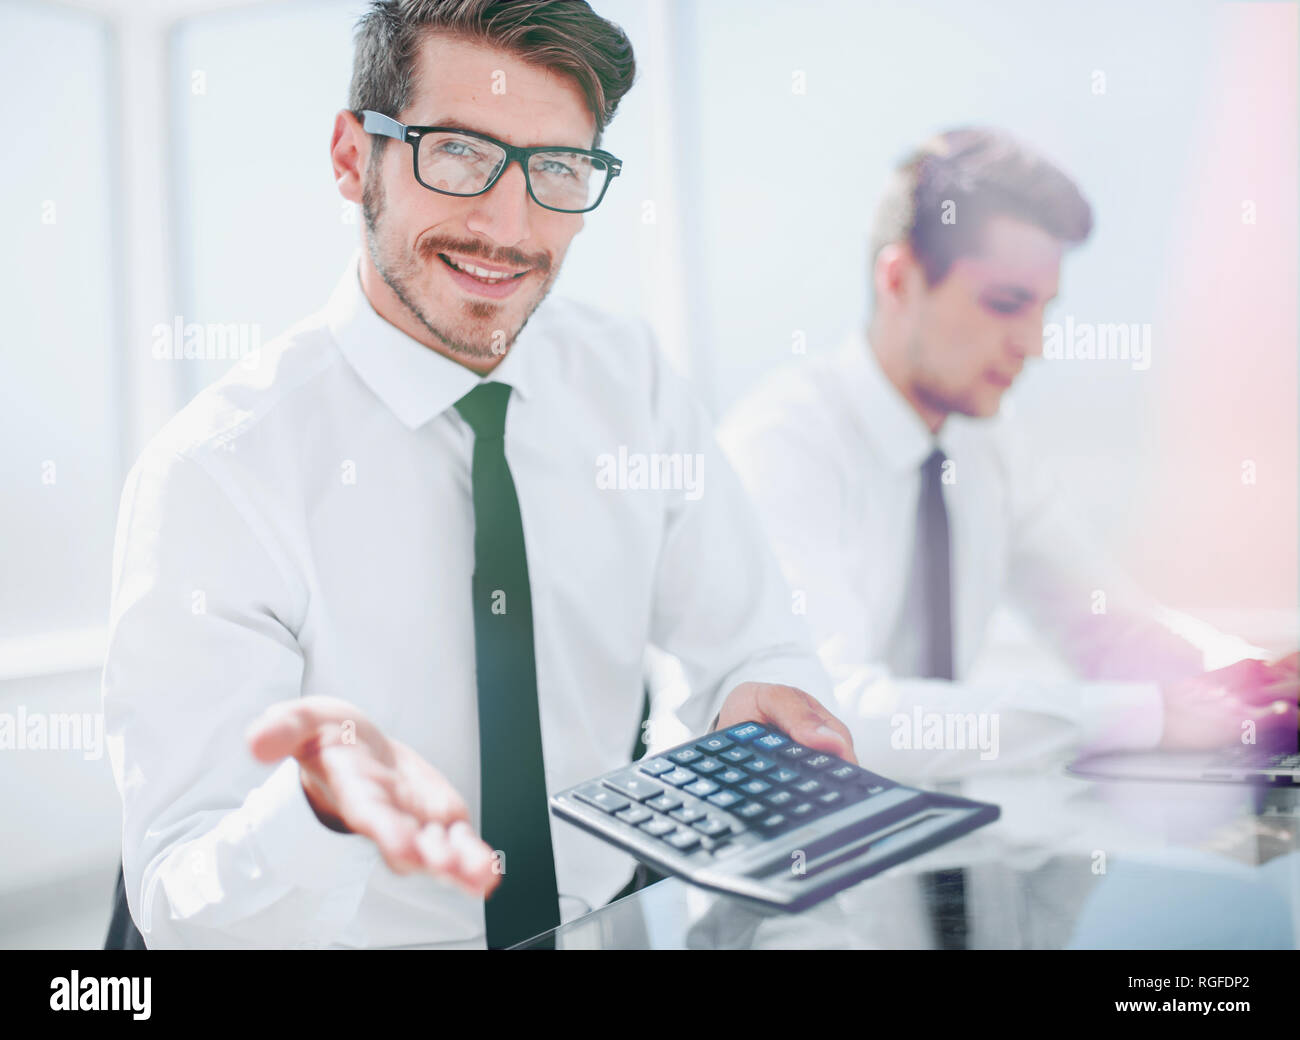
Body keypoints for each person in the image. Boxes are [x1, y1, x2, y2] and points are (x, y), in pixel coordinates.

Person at [102, 0, 855, 950]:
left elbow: (752, 646)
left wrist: (756, 695)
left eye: (557, 169)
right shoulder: (215, 474)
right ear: (352, 157)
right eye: (457, 151)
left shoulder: (632, 385)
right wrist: (319, 808)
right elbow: (178, 905)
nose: (509, 224)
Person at [718, 127, 1297, 786]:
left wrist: (1256, 676)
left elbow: (1104, 630)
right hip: (764, 848)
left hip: (918, 840)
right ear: (900, 278)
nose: (1034, 343)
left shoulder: (987, 442)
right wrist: (1147, 715)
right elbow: (835, 719)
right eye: (1005, 303)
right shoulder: (783, 446)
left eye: (1044, 309)